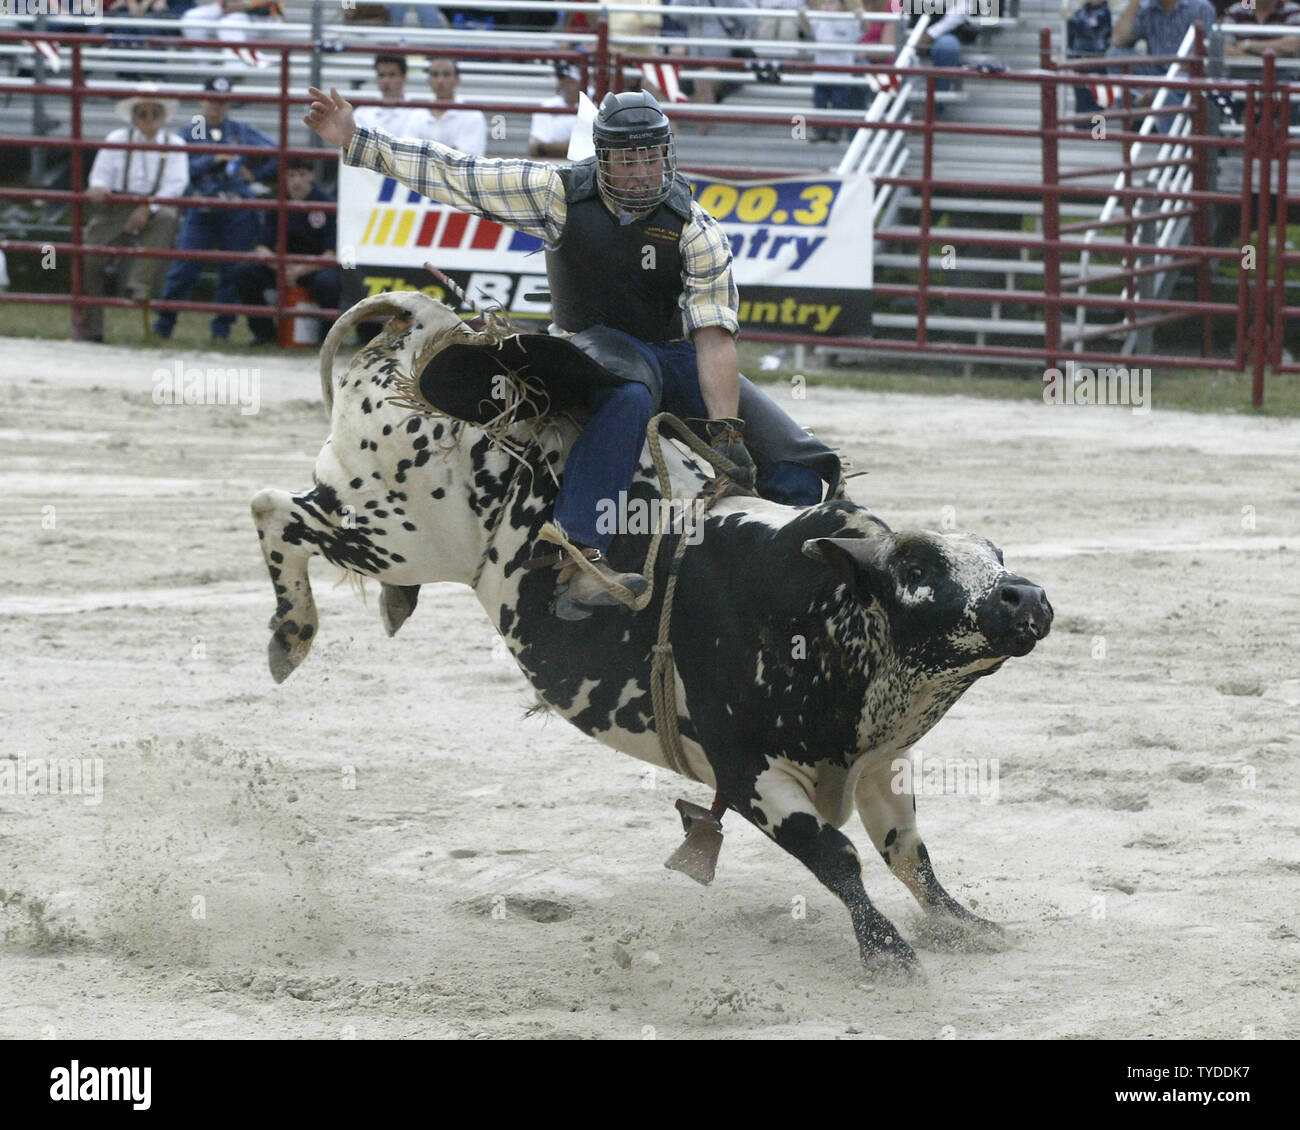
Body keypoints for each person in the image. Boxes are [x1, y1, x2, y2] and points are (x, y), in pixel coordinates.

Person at [303, 85, 841, 618]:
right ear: (602, 158)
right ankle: (580, 550)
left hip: (668, 351)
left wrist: (727, 431)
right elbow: (458, 174)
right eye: (626, 159)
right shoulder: (558, 193)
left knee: (794, 453)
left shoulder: (697, 230)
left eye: (650, 157)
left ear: (666, 156)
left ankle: (783, 556)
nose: (640, 171)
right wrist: (357, 139)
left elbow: (713, 335)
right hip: (589, 349)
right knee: (628, 394)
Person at [153, 76, 278, 341]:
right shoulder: (190, 132)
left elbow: (276, 153)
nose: (217, 106)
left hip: (236, 204)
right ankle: (165, 322)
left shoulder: (241, 130)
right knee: (185, 267)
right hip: (202, 205)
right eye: (212, 100)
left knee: (233, 270)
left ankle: (222, 328)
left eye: (222, 101)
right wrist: (213, 159)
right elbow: (177, 168)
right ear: (203, 99)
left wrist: (253, 174)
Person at [82, 85, 189, 342]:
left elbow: (176, 184)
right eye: (143, 113)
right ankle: (91, 329)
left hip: (156, 206)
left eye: (155, 113)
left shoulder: (175, 144)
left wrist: (147, 207)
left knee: (167, 217)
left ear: (163, 117)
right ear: (133, 117)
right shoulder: (117, 139)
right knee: (88, 259)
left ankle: (140, 285)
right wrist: (98, 188)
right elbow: (101, 173)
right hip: (117, 204)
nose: (149, 119)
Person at [230, 156, 340, 346]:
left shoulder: (326, 203)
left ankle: (326, 340)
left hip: (315, 269)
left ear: (312, 175)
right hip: (281, 267)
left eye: (302, 175)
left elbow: (332, 253)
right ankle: (264, 334)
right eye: (291, 175)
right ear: (284, 177)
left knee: (329, 283)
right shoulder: (277, 203)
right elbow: (262, 246)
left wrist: (300, 270)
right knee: (244, 272)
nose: (296, 181)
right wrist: (281, 267)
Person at [798, 0, 869, 141]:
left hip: (842, 76)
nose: (827, 7)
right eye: (824, 4)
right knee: (819, 104)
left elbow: (863, 28)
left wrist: (861, 15)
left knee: (839, 104)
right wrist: (802, 16)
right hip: (821, 75)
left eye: (831, 3)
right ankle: (819, 131)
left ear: (842, 6)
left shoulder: (849, 21)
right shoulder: (819, 19)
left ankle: (836, 132)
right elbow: (808, 29)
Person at [415, 56, 488, 154]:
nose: (440, 80)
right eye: (435, 75)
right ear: (428, 80)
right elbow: (407, 152)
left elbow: (469, 157)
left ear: (457, 79)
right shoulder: (416, 114)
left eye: (446, 74)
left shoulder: (473, 115)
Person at [353, 53, 431, 137]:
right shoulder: (362, 113)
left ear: (404, 78)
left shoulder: (420, 113)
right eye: (381, 75)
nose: (386, 80)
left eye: (392, 75)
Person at [528, 61, 583, 160]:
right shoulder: (547, 105)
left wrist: (546, 148)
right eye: (561, 79)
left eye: (570, 80)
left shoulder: (592, 105)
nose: (564, 84)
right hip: (550, 165)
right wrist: (572, 147)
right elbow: (534, 148)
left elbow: (589, 149)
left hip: (581, 167)